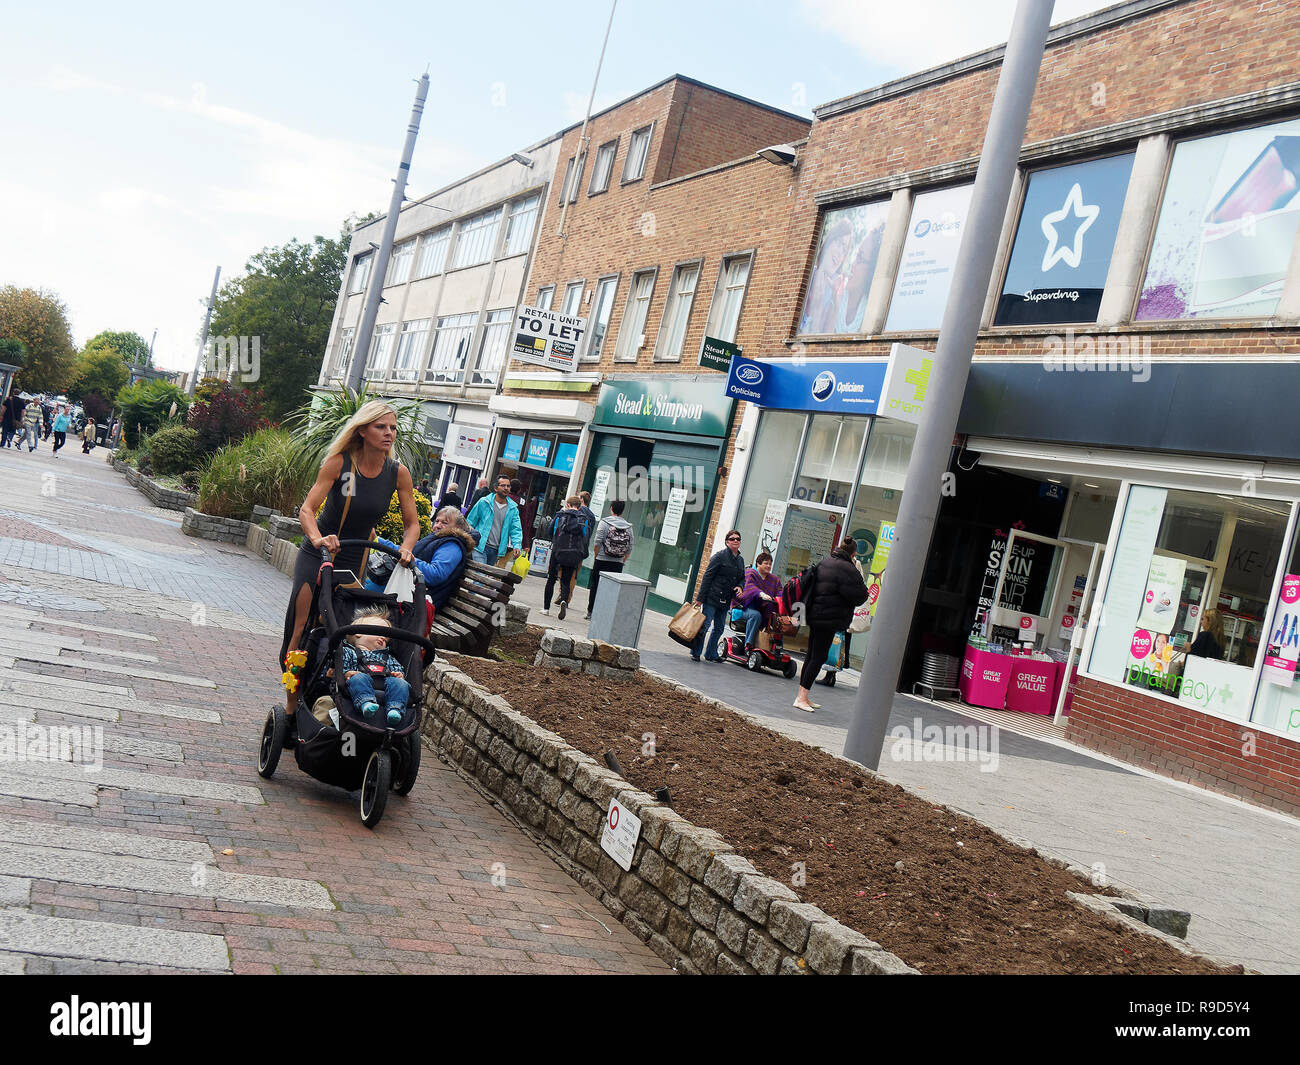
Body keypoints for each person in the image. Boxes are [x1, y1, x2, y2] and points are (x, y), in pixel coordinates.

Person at [279, 400, 419, 719]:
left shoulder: (398, 473)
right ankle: (289, 709)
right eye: (380, 427)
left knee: (343, 632)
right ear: (363, 430)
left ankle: (330, 702)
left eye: (393, 428)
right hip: (319, 554)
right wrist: (317, 538)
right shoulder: (339, 463)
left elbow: (413, 524)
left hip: (355, 560)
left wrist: (407, 548)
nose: (389, 433)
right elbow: (307, 510)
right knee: (302, 629)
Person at [792, 538, 868, 713]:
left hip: (815, 615)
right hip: (829, 618)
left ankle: (803, 695)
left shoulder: (826, 561)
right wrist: (855, 568)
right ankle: (801, 698)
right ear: (854, 554)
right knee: (818, 657)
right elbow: (860, 596)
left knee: (811, 655)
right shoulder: (848, 569)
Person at [372, 506, 477, 608]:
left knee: (365, 593)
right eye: (437, 521)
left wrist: (411, 561)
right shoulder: (437, 539)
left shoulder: (452, 545)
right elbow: (404, 551)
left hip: (420, 601)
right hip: (409, 591)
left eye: (444, 523)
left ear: (457, 527)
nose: (438, 525)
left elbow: (435, 575)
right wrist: (379, 540)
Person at [340, 609, 409, 724]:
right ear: (358, 633)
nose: (383, 638)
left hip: (386, 685)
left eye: (386, 639)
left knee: (402, 684)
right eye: (379, 633)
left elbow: (397, 668)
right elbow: (341, 666)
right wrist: (346, 673)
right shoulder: (349, 652)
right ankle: (366, 703)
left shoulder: (388, 657)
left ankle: (395, 710)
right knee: (358, 678)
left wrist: (398, 674)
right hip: (360, 684)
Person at [691, 530, 746, 663]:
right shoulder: (719, 556)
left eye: (738, 539)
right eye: (732, 539)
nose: (735, 541)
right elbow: (707, 577)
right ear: (727, 542)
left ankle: (711, 654)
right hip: (712, 597)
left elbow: (742, 578)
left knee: (720, 628)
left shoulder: (740, 560)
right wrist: (700, 599)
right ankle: (696, 652)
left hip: (726, 599)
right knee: (705, 625)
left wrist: (740, 586)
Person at [585, 499, 634, 619]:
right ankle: (605, 614)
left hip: (601, 559)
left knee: (595, 586)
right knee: (612, 590)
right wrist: (623, 560)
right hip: (617, 563)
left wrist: (597, 555)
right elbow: (630, 546)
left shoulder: (604, 522)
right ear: (622, 510)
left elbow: (597, 542)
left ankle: (591, 612)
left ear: (611, 508)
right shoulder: (628, 527)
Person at [543, 496, 589, 620]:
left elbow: (550, 531)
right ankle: (564, 600)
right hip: (573, 553)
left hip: (557, 550)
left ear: (568, 505)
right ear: (579, 506)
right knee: (566, 580)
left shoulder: (560, 516)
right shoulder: (583, 519)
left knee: (551, 579)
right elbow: (585, 537)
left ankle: (546, 609)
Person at [466, 473, 522, 566]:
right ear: (496, 488)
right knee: (480, 576)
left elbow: (516, 529)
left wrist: (517, 545)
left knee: (485, 578)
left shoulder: (513, 509)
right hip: (480, 547)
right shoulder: (484, 502)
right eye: (503, 485)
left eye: (508, 486)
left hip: (496, 550)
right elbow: (470, 522)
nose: (506, 488)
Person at [735, 552, 782, 652]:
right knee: (756, 615)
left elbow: (780, 592)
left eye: (770, 564)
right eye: (766, 563)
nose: (769, 566)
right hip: (743, 608)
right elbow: (750, 587)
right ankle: (748, 645)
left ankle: (775, 649)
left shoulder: (774, 579)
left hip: (763, 610)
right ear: (758, 563)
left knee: (778, 620)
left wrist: (781, 599)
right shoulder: (750, 573)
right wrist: (761, 594)